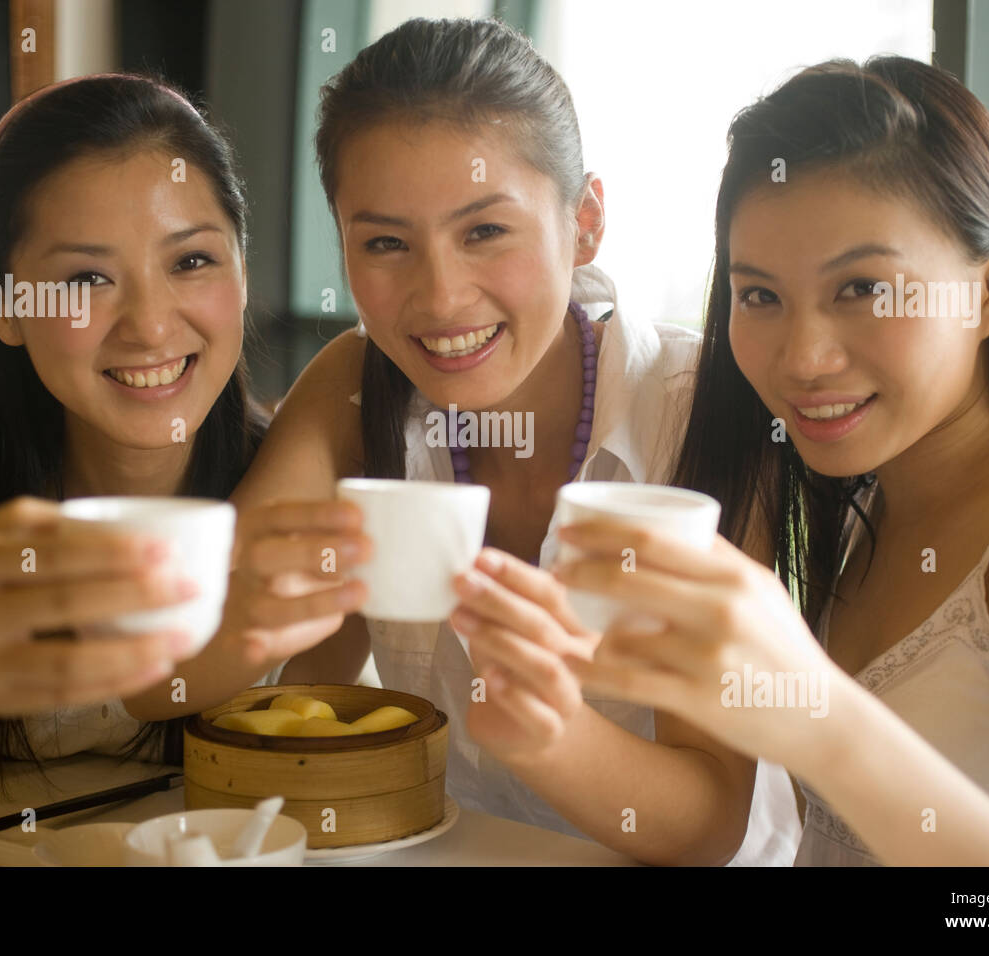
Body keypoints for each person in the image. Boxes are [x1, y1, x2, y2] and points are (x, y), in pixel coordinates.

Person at [229, 17, 801, 866]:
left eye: (486, 231)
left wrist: (544, 730)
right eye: (386, 243)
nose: (440, 296)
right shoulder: (359, 389)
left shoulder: (699, 409)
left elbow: (714, 823)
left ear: (585, 222)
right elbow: (280, 677)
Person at [555, 56, 989, 865]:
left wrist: (819, 717)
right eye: (760, 295)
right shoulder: (864, 507)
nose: (803, 359)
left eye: (862, 289)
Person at [0, 74, 365, 772]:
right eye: (85, 279)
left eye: (192, 260)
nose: (149, 326)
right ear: (4, 303)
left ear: (241, 267)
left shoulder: (302, 505)